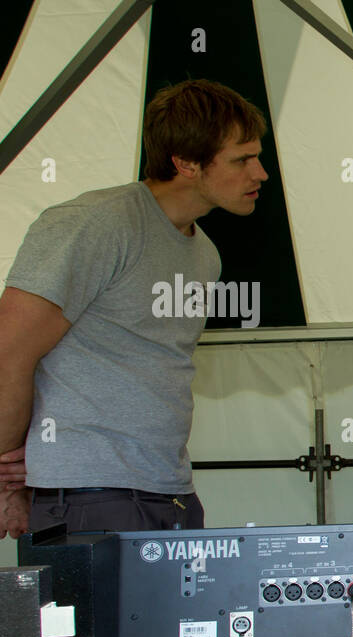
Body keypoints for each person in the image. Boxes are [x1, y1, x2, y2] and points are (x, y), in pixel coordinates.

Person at [0, 79, 269, 538]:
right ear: (185, 162)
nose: (260, 173)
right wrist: (7, 485)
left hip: (171, 493)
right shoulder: (95, 224)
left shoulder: (206, 254)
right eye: (242, 159)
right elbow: (9, 351)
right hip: (90, 496)